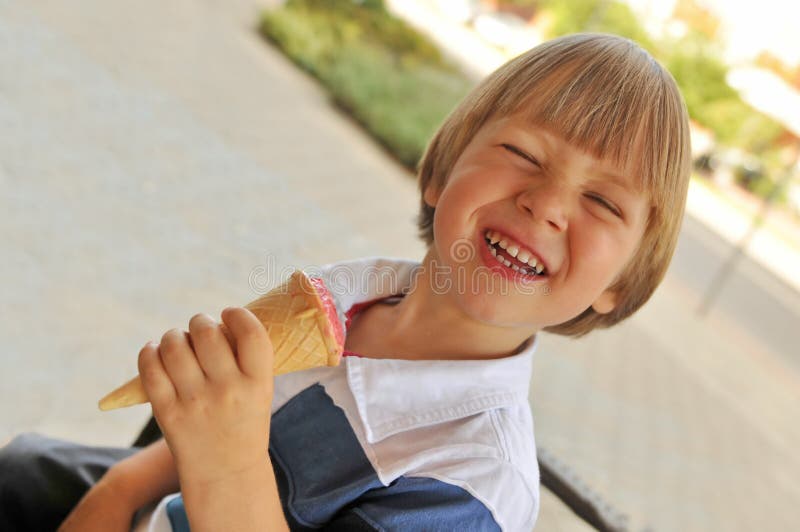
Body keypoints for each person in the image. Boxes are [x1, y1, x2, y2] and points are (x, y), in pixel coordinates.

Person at [0, 33, 690, 531]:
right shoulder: (342, 301)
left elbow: (226, 459)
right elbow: (168, 465)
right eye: (521, 152)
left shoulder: (473, 487)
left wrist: (229, 463)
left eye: (603, 202)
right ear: (438, 173)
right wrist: (123, 485)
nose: (547, 202)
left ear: (618, 287)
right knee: (26, 468)